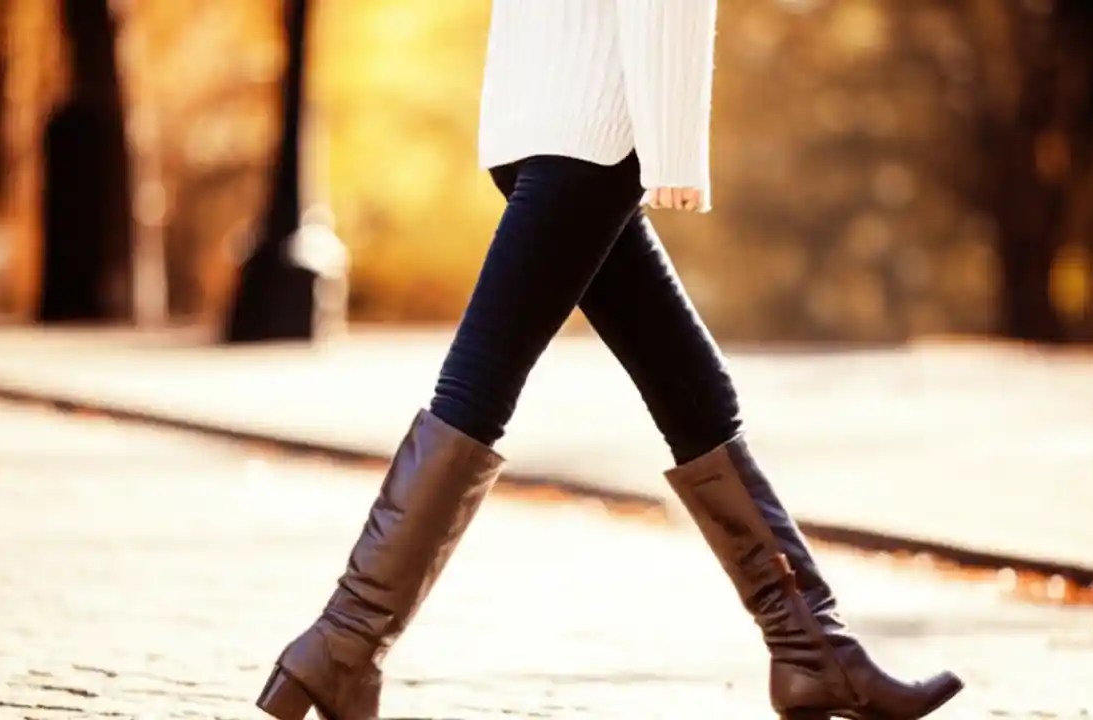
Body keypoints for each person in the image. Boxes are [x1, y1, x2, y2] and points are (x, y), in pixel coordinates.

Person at [256, 1, 964, 719]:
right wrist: (674, 147)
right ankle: (345, 641)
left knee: (693, 391)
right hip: (598, 127)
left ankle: (814, 653)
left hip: (539, 117)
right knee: (481, 385)